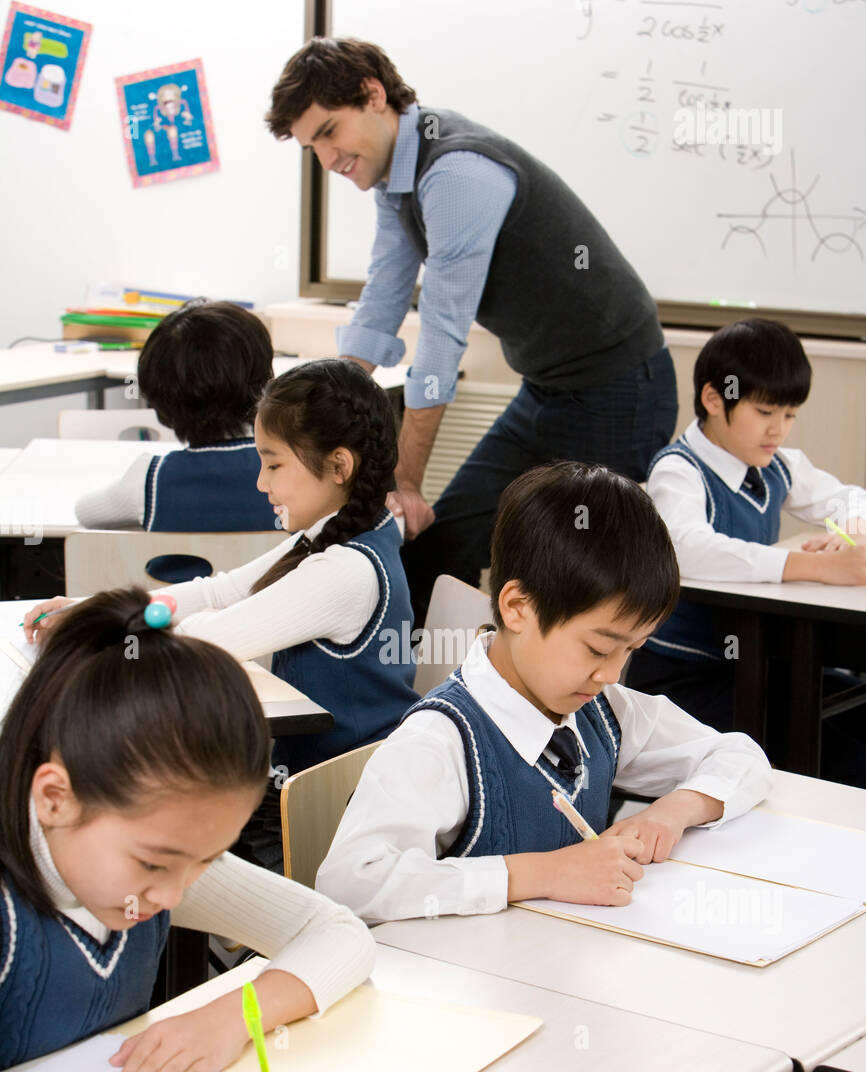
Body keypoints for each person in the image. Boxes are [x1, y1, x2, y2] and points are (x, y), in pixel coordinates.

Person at [266, 37, 678, 622]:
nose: (328, 160)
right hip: (545, 387)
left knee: (592, 582)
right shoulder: (394, 175)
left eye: (330, 132)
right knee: (441, 545)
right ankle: (424, 704)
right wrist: (312, 414)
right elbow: (384, 294)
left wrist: (404, 480)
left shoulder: (457, 172)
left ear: (373, 95)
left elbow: (440, 338)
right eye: (313, 147)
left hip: (619, 388)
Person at [0, 588, 375, 1072]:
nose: (175, 896)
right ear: (54, 798)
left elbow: (334, 930)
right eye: (154, 866)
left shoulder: (156, 851)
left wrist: (228, 1017)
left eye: (205, 861)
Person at [316, 463, 771, 924]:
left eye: (631, 650)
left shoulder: (604, 712)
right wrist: (542, 873)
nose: (612, 674)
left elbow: (740, 756)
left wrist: (671, 812)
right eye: (597, 648)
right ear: (518, 608)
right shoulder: (441, 740)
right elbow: (350, 884)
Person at [25, 360, 417, 871]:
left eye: (273, 465)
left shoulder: (345, 569)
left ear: (339, 466)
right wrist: (89, 608)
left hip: (329, 812)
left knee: (140, 810)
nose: (260, 483)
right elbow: (220, 593)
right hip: (304, 787)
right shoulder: (334, 534)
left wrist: (99, 628)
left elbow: (208, 639)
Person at [626, 318, 866, 785]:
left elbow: (850, 498)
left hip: (763, 666)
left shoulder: (778, 464)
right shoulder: (678, 471)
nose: (779, 430)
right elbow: (686, 548)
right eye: (765, 412)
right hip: (689, 680)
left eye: (790, 415)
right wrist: (817, 568)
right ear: (715, 399)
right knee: (842, 760)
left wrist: (848, 532)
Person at [75, 300, 277, 582]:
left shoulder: (149, 478)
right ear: (267, 383)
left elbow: (85, 512)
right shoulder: (297, 470)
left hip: (174, 620)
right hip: (270, 617)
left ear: (159, 404)